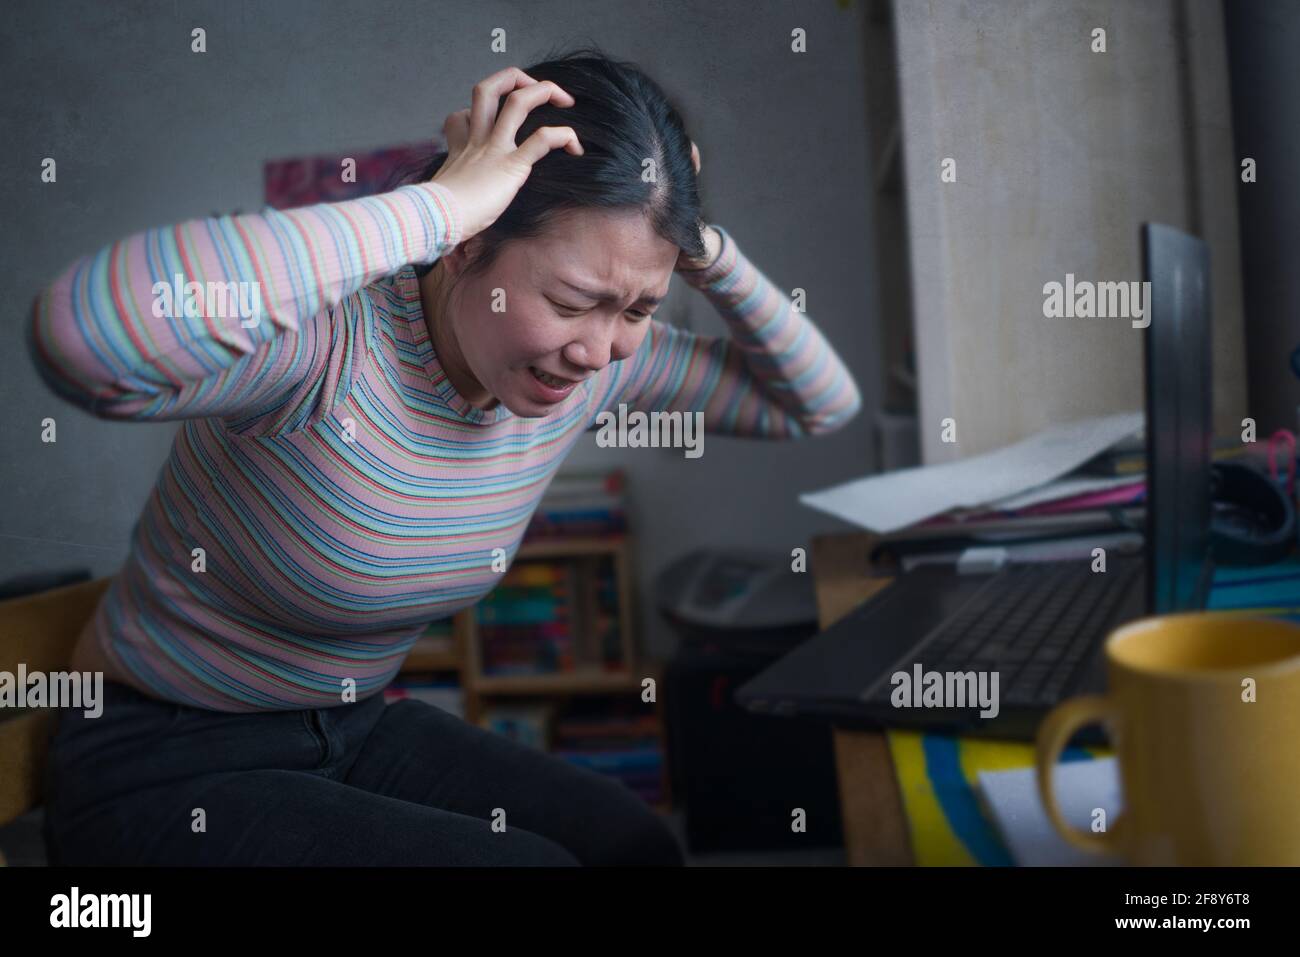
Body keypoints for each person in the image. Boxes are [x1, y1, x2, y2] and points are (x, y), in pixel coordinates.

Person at [26, 47, 862, 866]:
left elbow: (817, 403)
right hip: (163, 759)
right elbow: (84, 332)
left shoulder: (600, 367)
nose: (601, 350)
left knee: (633, 845)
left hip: (356, 727)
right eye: (573, 301)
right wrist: (435, 205)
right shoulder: (327, 342)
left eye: (638, 307)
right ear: (469, 245)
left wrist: (701, 245)